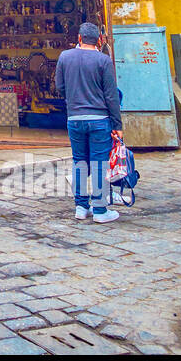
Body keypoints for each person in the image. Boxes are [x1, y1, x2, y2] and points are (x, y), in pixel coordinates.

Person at [54, 22, 123, 224]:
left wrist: (74, 100)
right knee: (99, 163)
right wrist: (117, 125)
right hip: (99, 120)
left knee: (80, 161)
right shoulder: (104, 61)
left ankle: (81, 206)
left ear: (79, 38)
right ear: (99, 40)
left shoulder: (65, 57)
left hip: (74, 118)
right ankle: (100, 209)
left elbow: (60, 86)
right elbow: (111, 96)